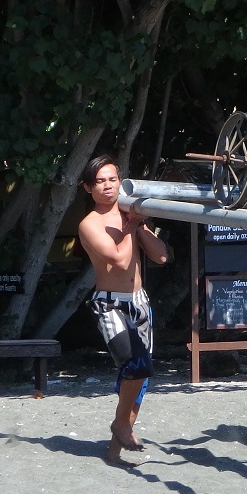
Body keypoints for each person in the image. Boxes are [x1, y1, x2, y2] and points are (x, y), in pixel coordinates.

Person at [78, 155, 169, 467]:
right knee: (136, 365)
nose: (107, 186)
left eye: (112, 179)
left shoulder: (131, 215)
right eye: (100, 181)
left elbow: (161, 257)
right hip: (109, 304)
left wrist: (138, 225)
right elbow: (118, 259)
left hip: (139, 302)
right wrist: (130, 226)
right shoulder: (89, 224)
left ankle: (114, 451)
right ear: (88, 187)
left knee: (139, 379)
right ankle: (121, 424)